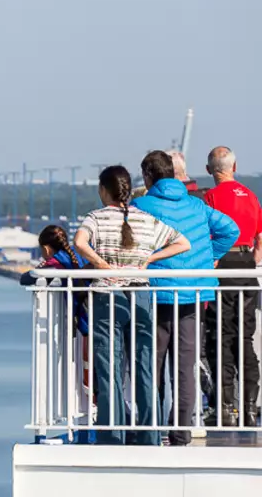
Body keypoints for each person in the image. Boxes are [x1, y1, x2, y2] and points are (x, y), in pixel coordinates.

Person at [75, 165, 190, 445]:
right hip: (140, 296)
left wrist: (102, 265)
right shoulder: (146, 219)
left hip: (107, 295)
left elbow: (79, 242)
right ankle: (149, 434)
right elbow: (183, 243)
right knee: (144, 366)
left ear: (104, 190)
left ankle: (111, 433)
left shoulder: (96, 218)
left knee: (109, 366)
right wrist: (147, 260)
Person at [132, 150, 238, 445]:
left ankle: (149, 429)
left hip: (157, 294)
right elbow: (231, 229)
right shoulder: (197, 205)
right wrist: (210, 259)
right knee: (185, 367)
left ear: (148, 176)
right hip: (192, 294)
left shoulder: (141, 205)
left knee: (151, 365)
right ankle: (180, 432)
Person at [202, 146, 262, 426]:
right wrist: (252, 259)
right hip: (247, 267)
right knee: (245, 338)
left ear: (208, 170)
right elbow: (260, 238)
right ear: (234, 167)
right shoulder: (250, 196)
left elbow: (207, 233)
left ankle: (225, 407)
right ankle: (250, 407)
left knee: (219, 336)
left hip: (223, 266)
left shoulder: (211, 197)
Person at [20, 225, 91, 335]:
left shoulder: (55, 262)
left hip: (84, 314)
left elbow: (25, 279)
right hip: (98, 306)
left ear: (46, 249)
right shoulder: (80, 252)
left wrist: (41, 268)